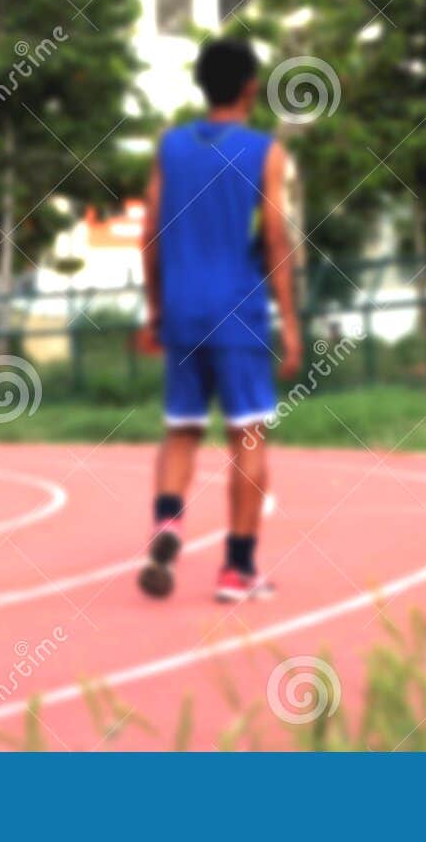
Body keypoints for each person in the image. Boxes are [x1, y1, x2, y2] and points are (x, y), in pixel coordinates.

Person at [135, 38, 302, 603]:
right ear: (251, 87)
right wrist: (292, 322)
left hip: (182, 306)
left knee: (181, 429)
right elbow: (276, 238)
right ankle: (237, 568)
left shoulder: (170, 147)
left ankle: (167, 527)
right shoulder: (266, 152)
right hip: (238, 309)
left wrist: (155, 308)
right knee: (247, 435)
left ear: (202, 86)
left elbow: (150, 234)